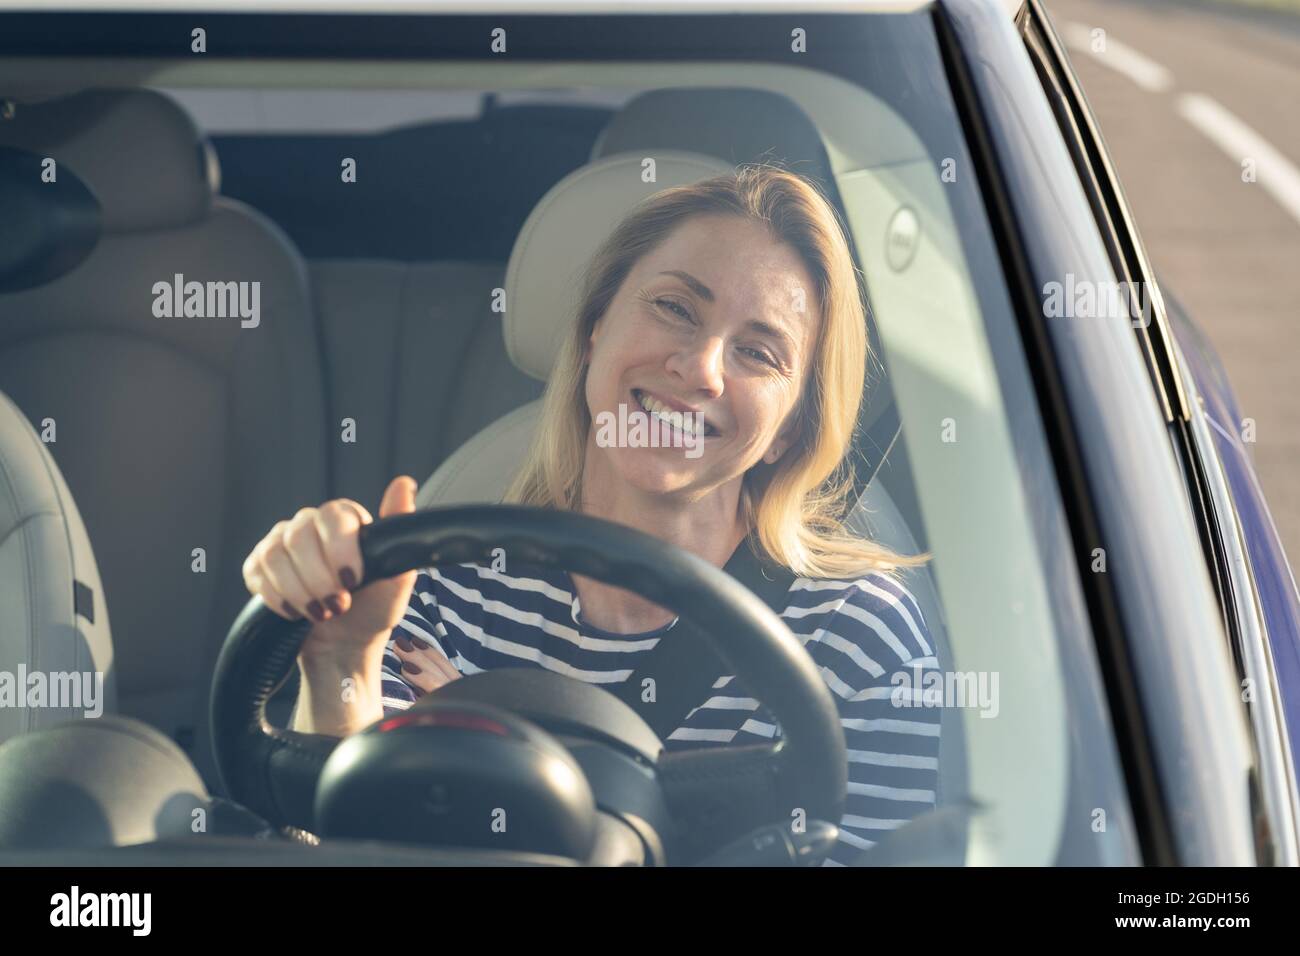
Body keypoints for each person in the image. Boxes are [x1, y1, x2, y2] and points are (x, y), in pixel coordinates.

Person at [242, 164, 942, 866]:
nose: (701, 368)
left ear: (789, 429)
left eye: (758, 352)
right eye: (674, 307)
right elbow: (348, 853)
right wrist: (344, 661)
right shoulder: (433, 591)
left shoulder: (853, 635)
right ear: (594, 330)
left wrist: (516, 747)